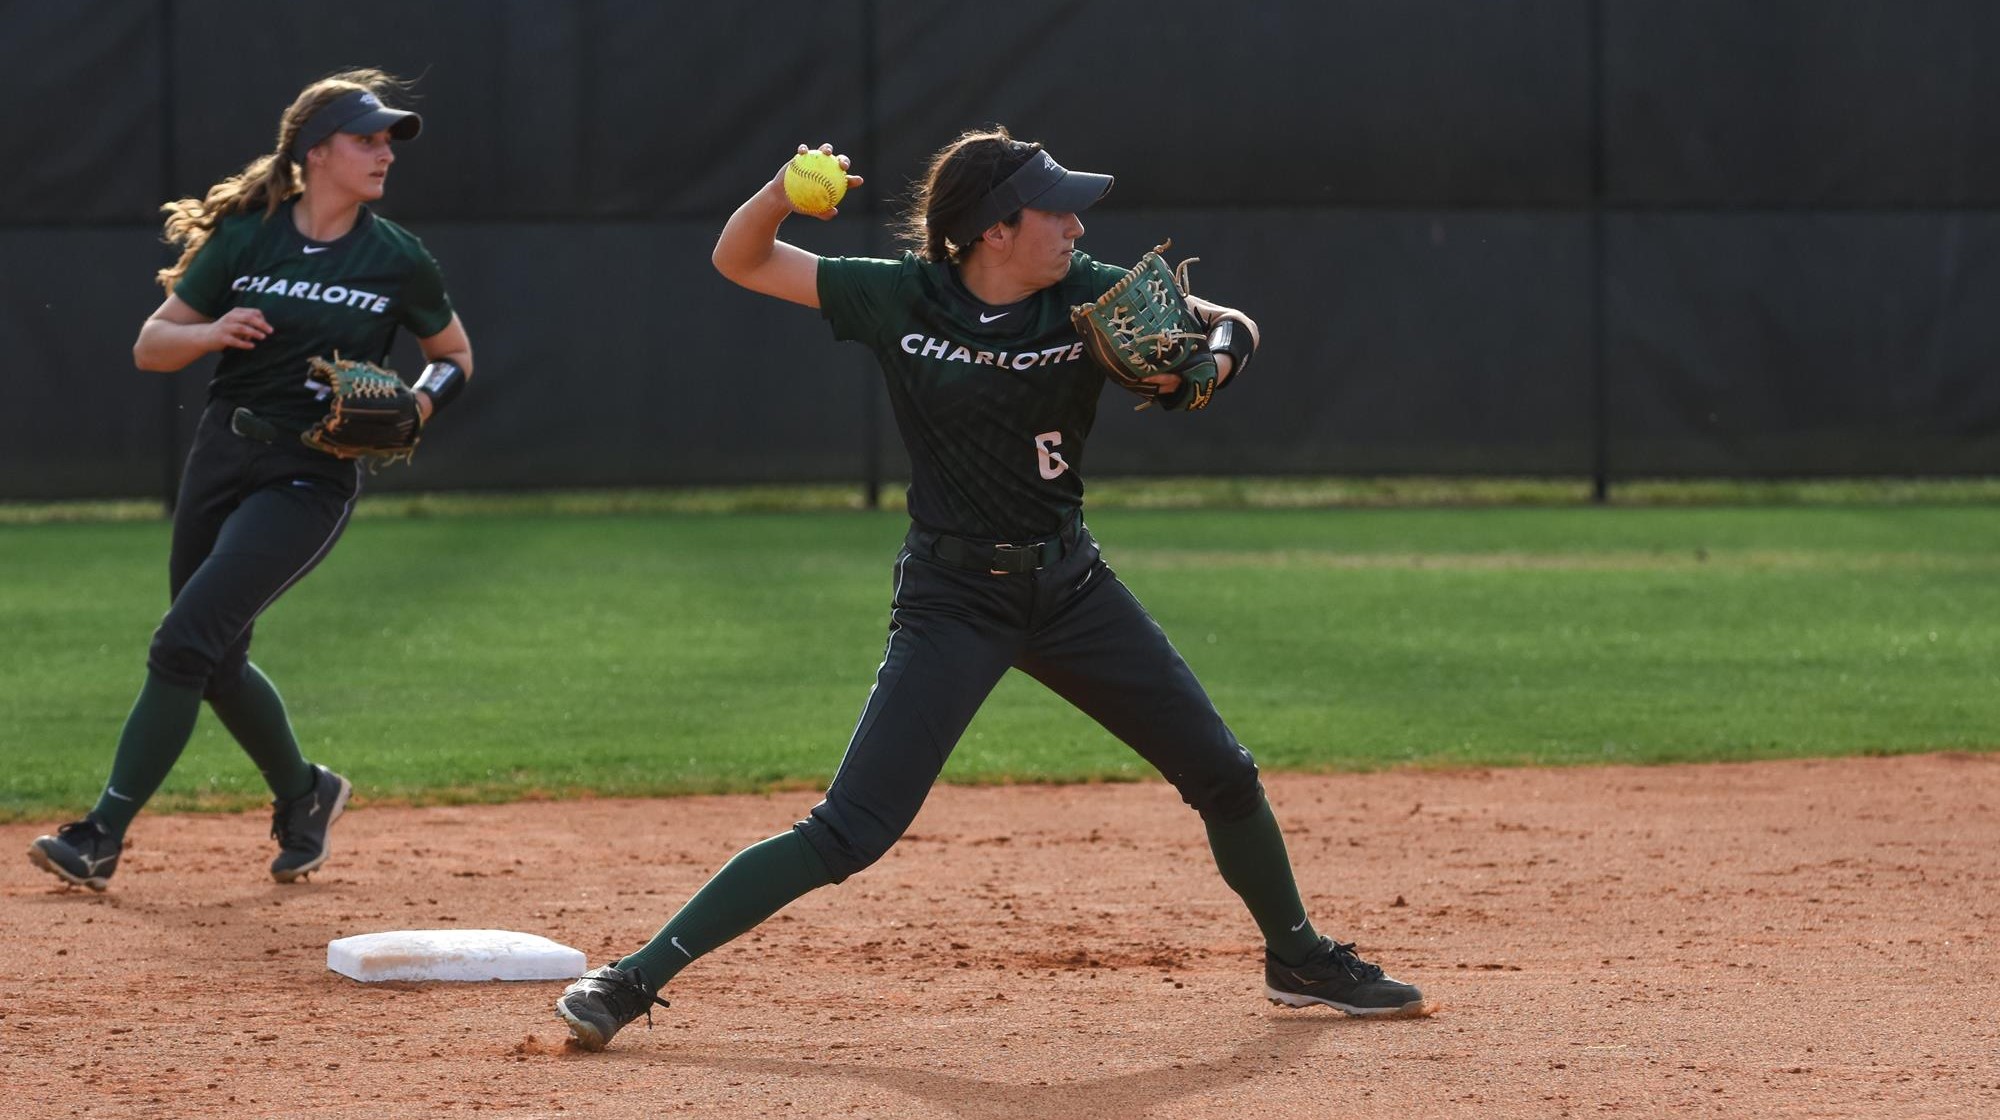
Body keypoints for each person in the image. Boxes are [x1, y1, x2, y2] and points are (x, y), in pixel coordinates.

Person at [554, 127, 1422, 1050]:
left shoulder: (1088, 290)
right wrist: (777, 190)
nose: (1078, 225)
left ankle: (1297, 956)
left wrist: (1210, 362)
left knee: (1224, 773)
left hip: (1072, 587)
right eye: (1056, 209)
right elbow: (742, 258)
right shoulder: (899, 295)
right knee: (850, 829)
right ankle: (630, 979)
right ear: (992, 232)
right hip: (953, 599)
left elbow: (1229, 320)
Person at [26, 69, 474, 892]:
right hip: (222, 454)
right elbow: (151, 344)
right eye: (366, 139)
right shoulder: (246, 236)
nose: (384, 154)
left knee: (183, 643)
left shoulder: (397, 259)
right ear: (316, 152)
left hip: (310, 474)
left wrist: (421, 400)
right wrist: (211, 333)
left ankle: (100, 834)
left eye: (387, 142)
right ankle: (307, 794)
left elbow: (454, 357)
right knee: (216, 661)